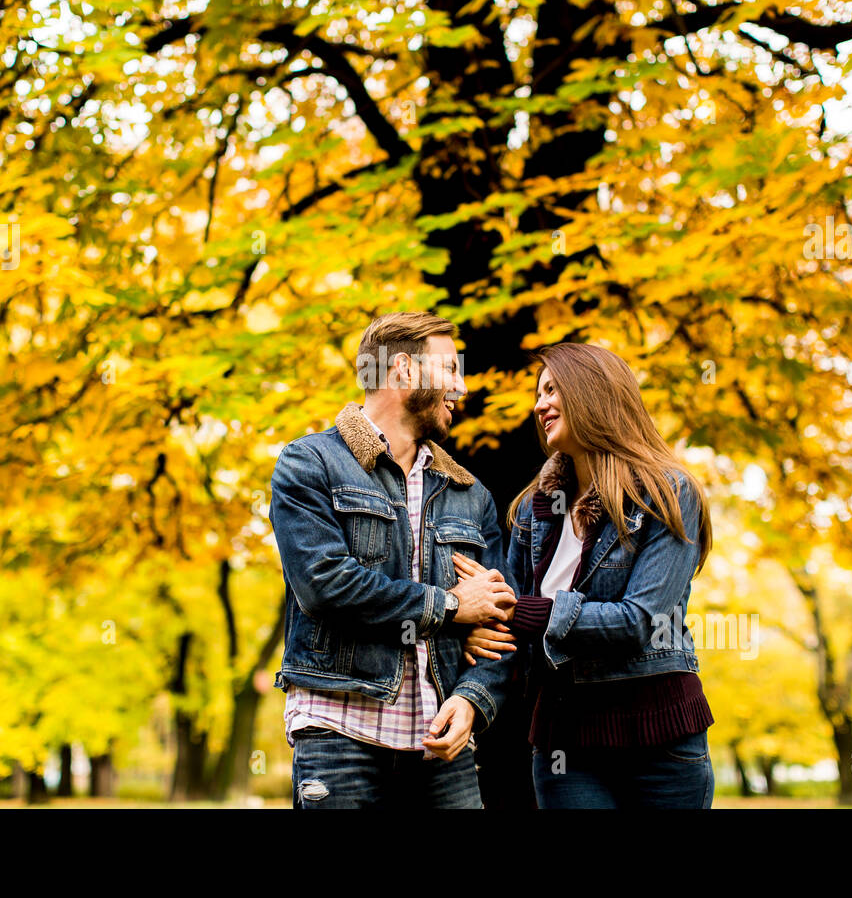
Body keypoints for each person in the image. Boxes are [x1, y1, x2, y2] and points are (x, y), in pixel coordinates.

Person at [269, 311, 520, 808]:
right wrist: (449, 606)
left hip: (440, 743)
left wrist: (474, 699)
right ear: (403, 370)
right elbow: (325, 585)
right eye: (450, 369)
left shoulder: (471, 495)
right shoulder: (310, 464)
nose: (462, 387)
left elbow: (501, 618)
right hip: (339, 730)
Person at [456, 342, 716, 808]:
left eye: (552, 390)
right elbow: (505, 625)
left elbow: (641, 621)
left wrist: (523, 612)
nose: (539, 405)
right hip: (564, 742)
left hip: (660, 739)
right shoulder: (534, 509)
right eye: (539, 394)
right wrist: (475, 643)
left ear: (592, 392)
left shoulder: (667, 493)